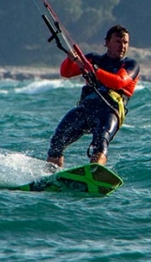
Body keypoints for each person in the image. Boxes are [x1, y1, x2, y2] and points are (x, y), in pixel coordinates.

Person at [47, 24, 139, 169]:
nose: (122, 46)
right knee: (57, 140)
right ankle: (51, 176)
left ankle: (95, 173)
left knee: (100, 142)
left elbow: (119, 82)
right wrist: (70, 59)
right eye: (118, 41)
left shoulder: (130, 64)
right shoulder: (93, 59)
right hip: (86, 108)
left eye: (125, 42)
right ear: (107, 42)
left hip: (110, 111)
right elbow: (66, 72)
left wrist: (94, 70)